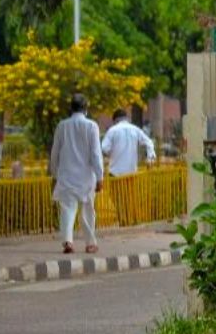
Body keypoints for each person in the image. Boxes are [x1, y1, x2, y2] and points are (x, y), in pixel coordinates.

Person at [49, 93, 104, 254]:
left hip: (66, 176)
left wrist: (54, 174)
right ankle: (90, 243)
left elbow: (55, 153)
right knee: (88, 211)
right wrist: (100, 176)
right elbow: (96, 154)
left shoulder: (62, 126)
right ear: (86, 108)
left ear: (71, 108)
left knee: (67, 209)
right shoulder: (92, 126)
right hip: (86, 178)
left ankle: (68, 241)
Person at [102, 109, 155, 226]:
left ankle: (123, 220)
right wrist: (150, 157)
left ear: (115, 120)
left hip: (115, 173)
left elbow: (104, 148)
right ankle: (129, 220)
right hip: (131, 173)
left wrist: (111, 152)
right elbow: (149, 143)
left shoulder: (112, 130)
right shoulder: (135, 129)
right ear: (126, 118)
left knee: (117, 199)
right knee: (129, 198)